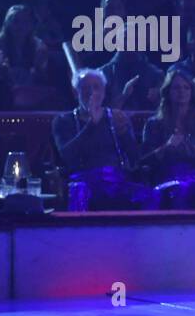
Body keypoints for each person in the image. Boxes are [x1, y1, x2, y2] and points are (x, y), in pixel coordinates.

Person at [51, 69, 157, 211]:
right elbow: (67, 156)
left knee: (151, 195)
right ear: (76, 93)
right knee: (80, 192)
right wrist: (92, 125)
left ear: (104, 92)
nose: (91, 92)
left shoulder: (116, 117)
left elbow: (135, 159)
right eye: (85, 88)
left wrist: (124, 134)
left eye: (96, 87)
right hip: (82, 181)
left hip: (115, 180)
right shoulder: (63, 120)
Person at [140, 68, 195, 209]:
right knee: (179, 191)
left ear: (192, 93)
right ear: (168, 92)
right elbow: (143, 160)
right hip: (166, 179)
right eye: (176, 88)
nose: (182, 92)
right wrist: (165, 148)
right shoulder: (154, 124)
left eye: (186, 88)